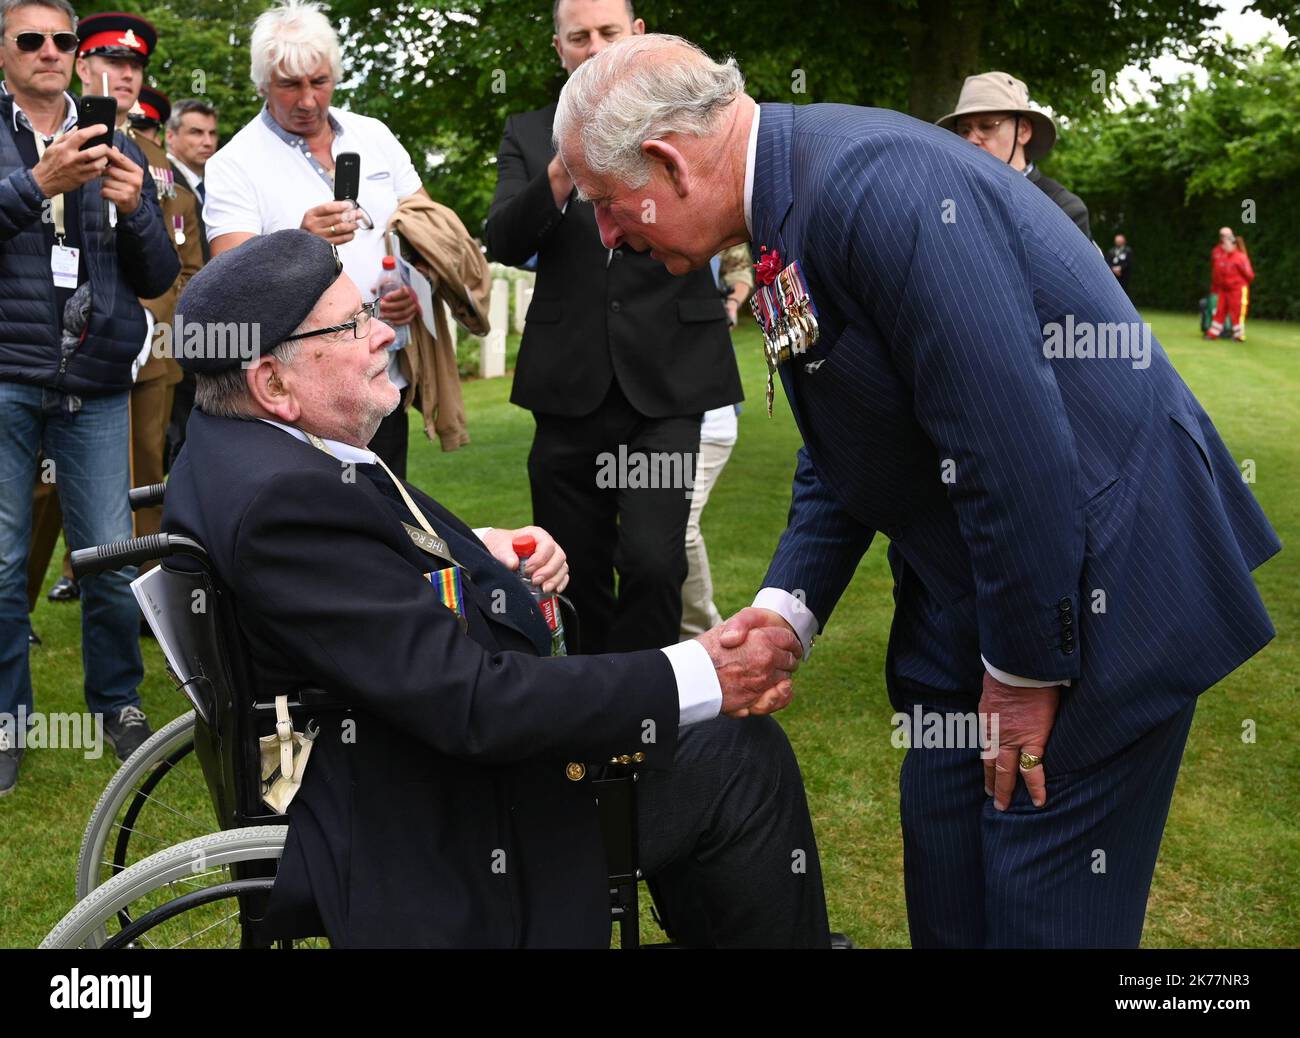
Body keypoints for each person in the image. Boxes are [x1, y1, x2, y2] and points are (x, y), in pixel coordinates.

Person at [552, 34, 1281, 948]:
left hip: (1094, 593)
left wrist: (1022, 671)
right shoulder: (784, 200)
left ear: (666, 162)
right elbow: (850, 431)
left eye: (610, 207)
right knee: (949, 897)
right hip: (966, 598)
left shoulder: (875, 187)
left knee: (1039, 914)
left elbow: (1006, 445)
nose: (609, 236)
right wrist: (789, 607)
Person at [161, 228, 830, 948]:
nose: (384, 333)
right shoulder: (284, 505)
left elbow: (360, 567)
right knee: (735, 752)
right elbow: (474, 705)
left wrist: (474, 549)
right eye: (352, 326)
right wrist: (702, 669)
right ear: (274, 382)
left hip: (355, 748)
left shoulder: (237, 447)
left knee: (710, 745)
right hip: (422, 808)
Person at [483, 0, 742, 655]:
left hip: (670, 378)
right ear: (558, 48)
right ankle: (593, 719)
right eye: (579, 37)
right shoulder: (529, 130)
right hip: (568, 383)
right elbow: (505, 239)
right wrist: (564, 168)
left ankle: (658, 711)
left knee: (656, 562)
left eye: (608, 33)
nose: (594, 46)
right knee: (572, 571)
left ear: (637, 36)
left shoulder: (688, 121)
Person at [0, 0, 179, 793]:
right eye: (29, 39)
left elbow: (160, 276)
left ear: (77, 55)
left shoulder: (121, 140)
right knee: (3, 566)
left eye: (61, 40)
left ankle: (118, 703)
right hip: (7, 375)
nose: (48, 51)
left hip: (98, 380)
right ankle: (8, 719)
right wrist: (34, 183)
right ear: (3, 52)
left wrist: (138, 206)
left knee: (108, 559)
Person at [203, 0, 423, 476]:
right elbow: (229, 284)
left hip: (382, 374)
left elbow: (426, 228)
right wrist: (298, 242)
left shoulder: (374, 136)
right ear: (262, 83)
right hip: (305, 397)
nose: (307, 100)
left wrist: (413, 293)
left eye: (318, 82)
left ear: (335, 75)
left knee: (394, 522)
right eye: (289, 84)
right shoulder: (233, 163)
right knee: (319, 528)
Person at [78, 17, 204, 580]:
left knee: (145, 476)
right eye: (112, 63)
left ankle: (146, 597)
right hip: (63, 342)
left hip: (148, 344)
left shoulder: (161, 166)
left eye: (135, 67)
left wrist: (156, 323)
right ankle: (25, 595)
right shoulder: (47, 138)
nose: (125, 76)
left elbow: (181, 258)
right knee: (43, 483)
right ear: (83, 67)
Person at [680, 242, 751, 638]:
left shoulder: (700, 235)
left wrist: (731, 304)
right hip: (662, 415)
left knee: (683, 523)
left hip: (711, 417)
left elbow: (740, 273)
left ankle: (703, 634)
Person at [936, 71, 1092, 241]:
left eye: (987, 126)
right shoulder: (948, 201)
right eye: (964, 130)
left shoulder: (1062, 209)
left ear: (1023, 130)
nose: (970, 139)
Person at [163, 97, 217, 464]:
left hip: (210, 324)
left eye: (213, 133)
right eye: (196, 132)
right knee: (174, 434)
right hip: (173, 324)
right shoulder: (164, 183)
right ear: (171, 136)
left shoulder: (212, 185)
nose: (207, 140)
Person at [1206, 227, 1253, 342]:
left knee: (1237, 312)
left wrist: (1237, 283)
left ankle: (1239, 336)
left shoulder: (1240, 258)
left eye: (1226, 244)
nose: (1224, 246)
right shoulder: (1223, 256)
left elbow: (1249, 275)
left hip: (1237, 289)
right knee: (1220, 311)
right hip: (1224, 289)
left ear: (1233, 245)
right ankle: (1212, 333)